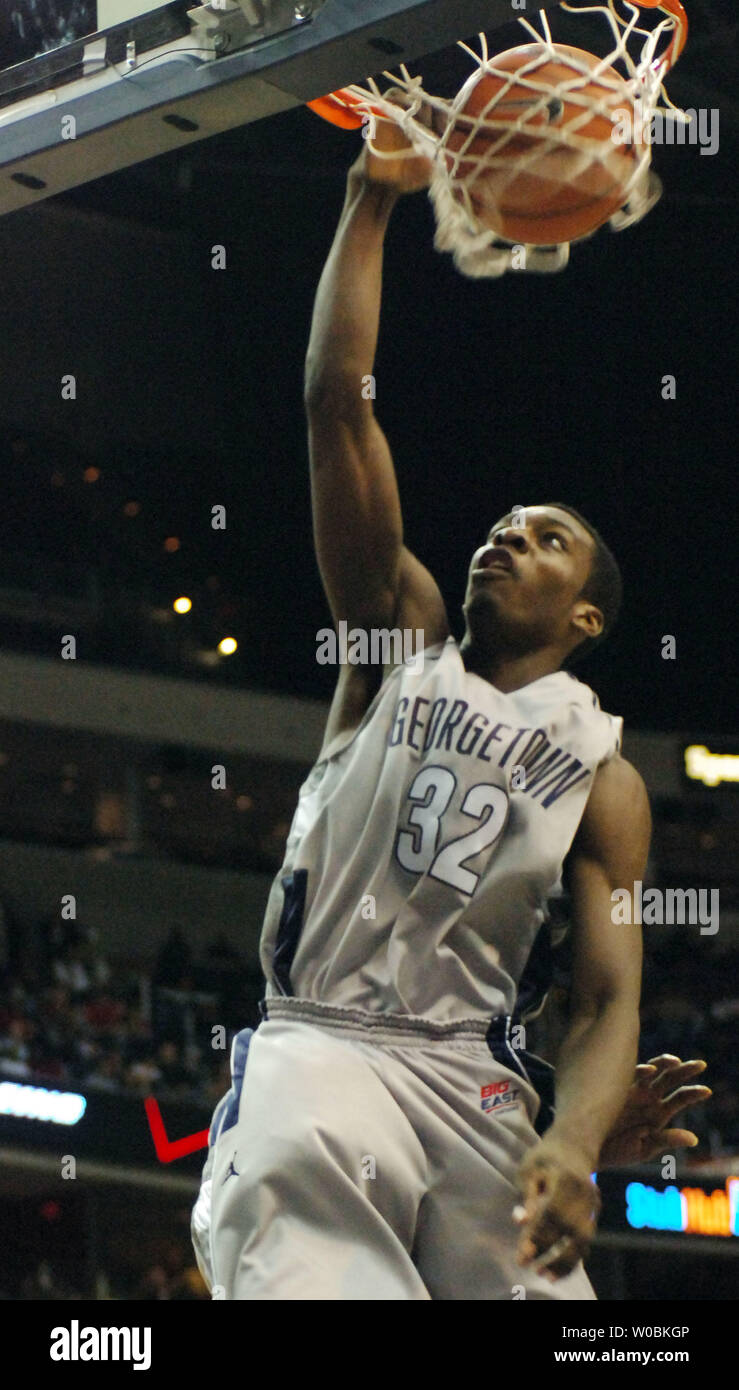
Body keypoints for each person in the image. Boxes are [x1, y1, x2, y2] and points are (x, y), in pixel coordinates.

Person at [191, 127, 709, 1300]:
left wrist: (573, 1141)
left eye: (546, 537)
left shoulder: (604, 776)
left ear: (586, 617)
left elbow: (609, 995)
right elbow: (337, 404)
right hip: (322, 1045)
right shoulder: (395, 638)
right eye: (503, 521)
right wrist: (368, 201)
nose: (505, 535)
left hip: (476, 1082)